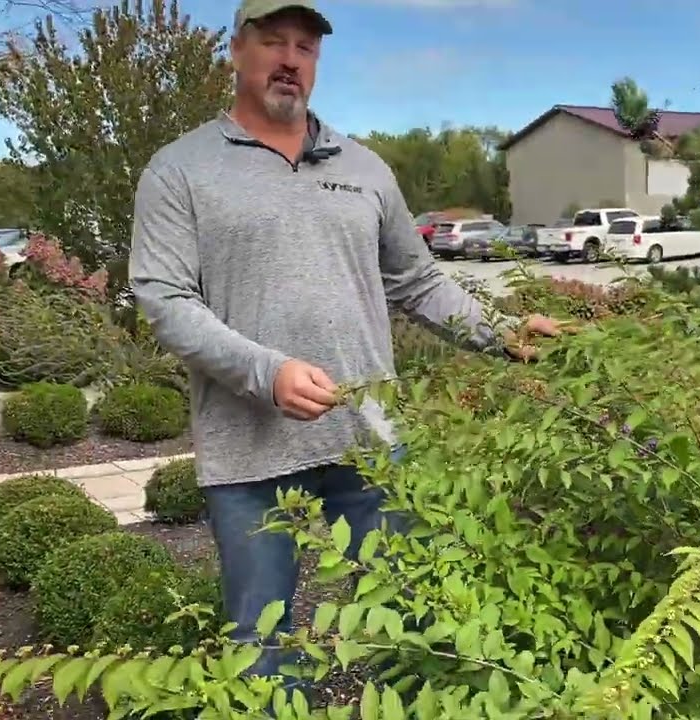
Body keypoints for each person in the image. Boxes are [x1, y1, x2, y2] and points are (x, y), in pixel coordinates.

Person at [128, 0, 565, 683]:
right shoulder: (179, 170)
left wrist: (502, 331)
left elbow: (417, 281)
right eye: (273, 41)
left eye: (306, 48)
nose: (290, 60)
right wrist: (265, 372)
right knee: (259, 653)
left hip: (371, 449)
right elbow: (164, 300)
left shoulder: (363, 168)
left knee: (418, 627)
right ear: (236, 52)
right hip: (249, 463)